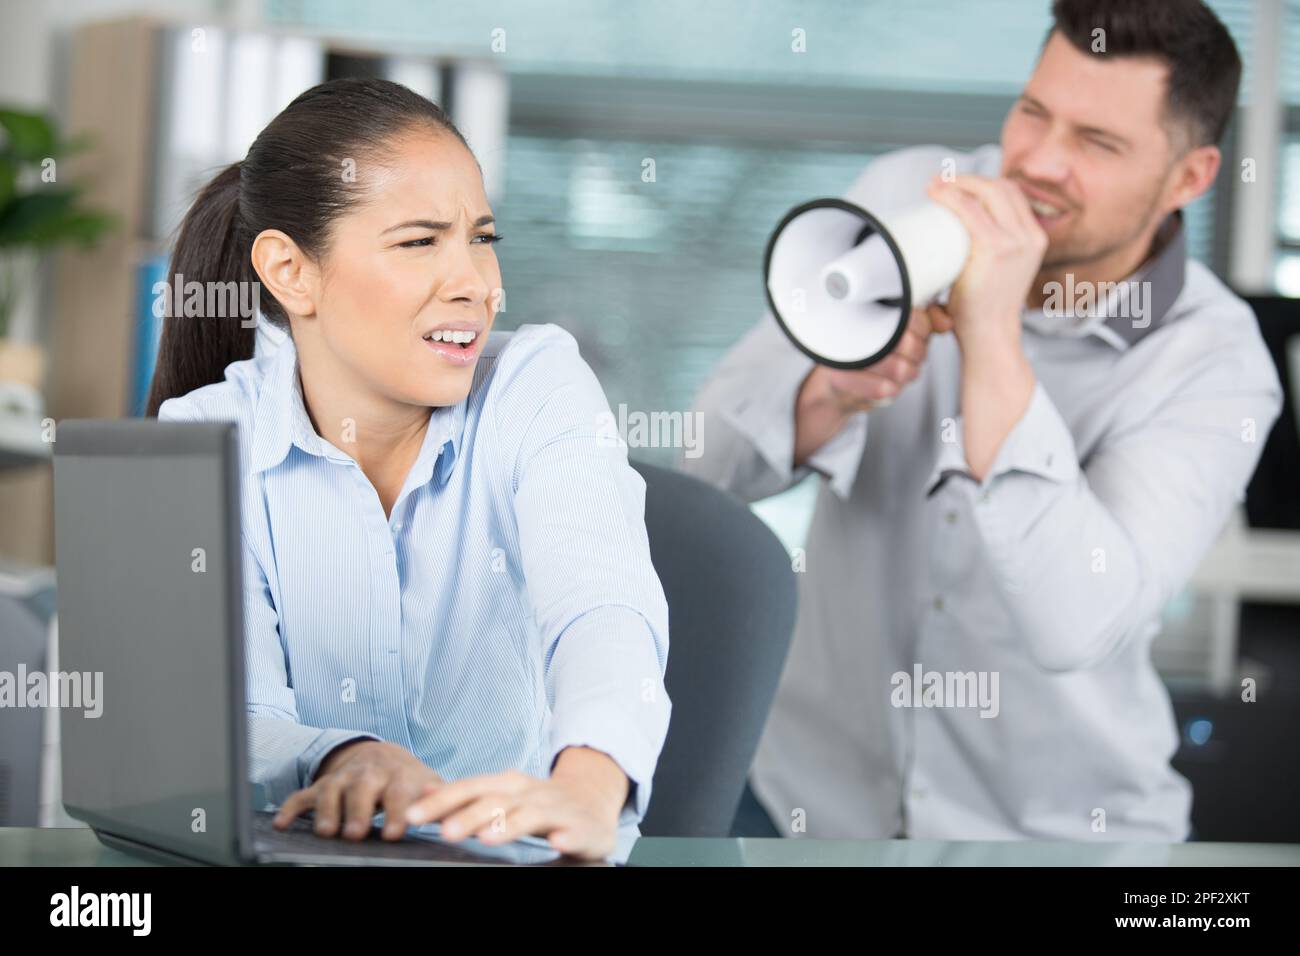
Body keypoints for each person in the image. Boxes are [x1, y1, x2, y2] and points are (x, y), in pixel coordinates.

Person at [685, 0, 1281, 841]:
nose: (1038, 162)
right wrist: (829, 392)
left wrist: (993, 337)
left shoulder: (1216, 366)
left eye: (1098, 143)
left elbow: (1077, 620)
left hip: (1057, 835)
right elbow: (701, 469)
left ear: (1189, 178)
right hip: (800, 801)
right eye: (1034, 113)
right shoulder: (912, 193)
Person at [146, 78, 670, 861]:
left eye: (482, 238)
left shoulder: (537, 386)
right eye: (420, 242)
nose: (478, 286)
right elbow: (224, 713)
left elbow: (603, 609)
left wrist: (587, 790)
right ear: (291, 271)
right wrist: (343, 754)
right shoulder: (211, 435)